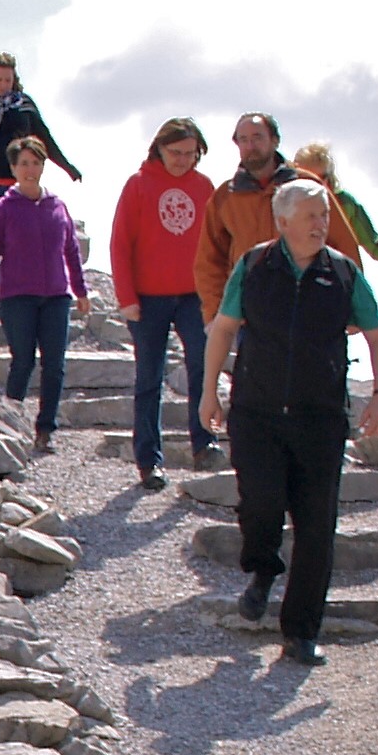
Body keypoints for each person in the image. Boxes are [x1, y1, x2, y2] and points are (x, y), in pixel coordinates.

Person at [200, 179, 378, 668]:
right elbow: (223, 329)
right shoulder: (254, 266)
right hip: (256, 413)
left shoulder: (343, 274)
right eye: (310, 216)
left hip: (320, 419)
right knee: (260, 504)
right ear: (283, 221)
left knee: (316, 528)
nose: (320, 225)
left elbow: (377, 337)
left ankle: (301, 632)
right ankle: (263, 569)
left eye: (323, 216)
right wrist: (208, 391)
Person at [108, 118, 218, 488]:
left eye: (190, 153)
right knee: (149, 378)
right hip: (148, 299)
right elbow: (120, 243)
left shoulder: (204, 187)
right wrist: (126, 297)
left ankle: (205, 444)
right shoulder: (138, 184)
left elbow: (217, 244)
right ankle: (149, 461)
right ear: (159, 148)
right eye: (176, 152)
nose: (183, 160)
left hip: (194, 297)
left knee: (203, 367)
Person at [193, 112, 363, 326]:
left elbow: (343, 244)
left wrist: (353, 308)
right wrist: (216, 313)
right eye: (243, 140)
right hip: (250, 317)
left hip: (309, 310)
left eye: (257, 137)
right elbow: (209, 261)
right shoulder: (225, 197)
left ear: (275, 140)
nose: (250, 146)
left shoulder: (307, 185)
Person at [0, 136, 85, 450]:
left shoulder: (57, 206)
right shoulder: (2, 209)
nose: (30, 169)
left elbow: (71, 250)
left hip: (56, 296)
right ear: (13, 168)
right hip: (17, 296)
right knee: (22, 360)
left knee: (55, 365)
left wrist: (81, 290)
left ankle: (46, 429)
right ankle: (11, 423)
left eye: (35, 163)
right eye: (23, 163)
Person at [0, 54, 83, 259]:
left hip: (15, 181)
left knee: (15, 235)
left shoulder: (24, 105)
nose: (3, 85)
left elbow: (44, 139)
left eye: (8, 80)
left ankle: (12, 278)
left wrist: (67, 167)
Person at [291, 142, 378, 272]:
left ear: (329, 177)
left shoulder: (345, 204)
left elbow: (373, 243)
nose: (316, 184)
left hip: (339, 278)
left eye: (321, 178)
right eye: (309, 178)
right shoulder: (286, 204)